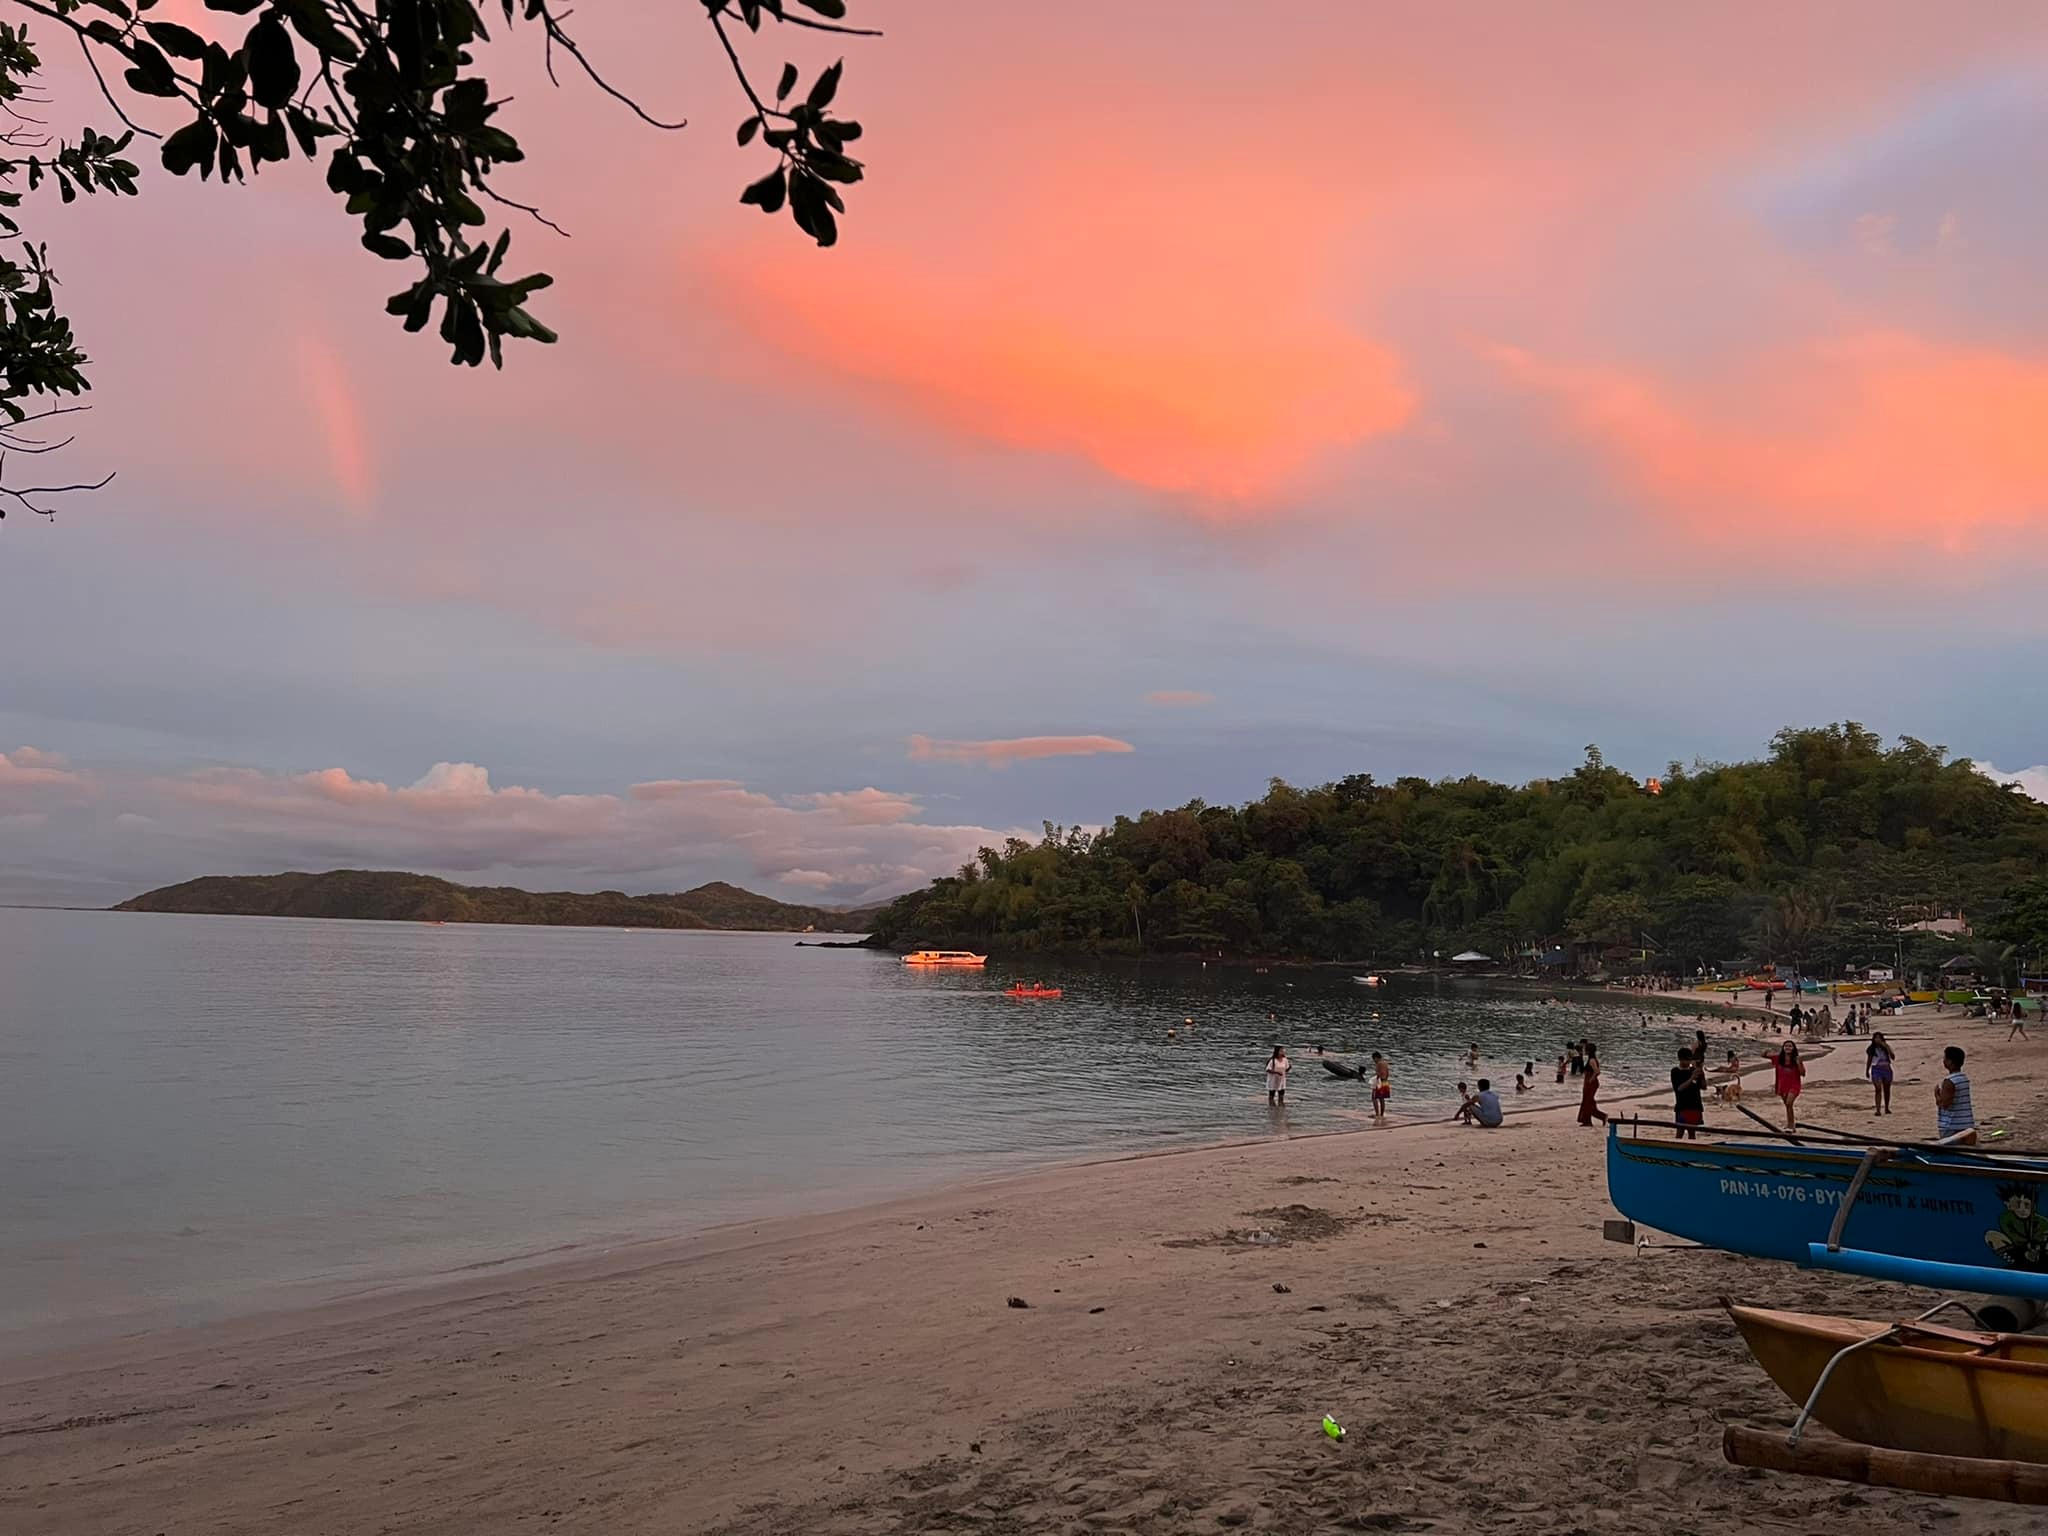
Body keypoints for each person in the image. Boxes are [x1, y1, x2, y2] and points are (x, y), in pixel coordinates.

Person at [1937, 1046, 1977, 1144]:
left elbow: (1945, 1104)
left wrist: (1937, 1095)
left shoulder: (1949, 1081)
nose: (1943, 1061)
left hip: (1951, 1125)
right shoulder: (1964, 1078)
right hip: (1966, 1123)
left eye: (1945, 1058)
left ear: (1950, 1062)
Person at [1766, 1040, 1805, 1130]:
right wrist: (1769, 1048)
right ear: (1783, 1048)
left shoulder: (1797, 1059)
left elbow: (1802, 1074)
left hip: (1794, 1085)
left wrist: (1799, 1064)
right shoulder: (1778, 1058)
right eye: (1786, 1046)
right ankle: (1791, 1124)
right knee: (1788, 1106)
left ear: (1793, 1048)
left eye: (1790, 1046)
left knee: (1789, 1103)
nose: (1788, 1048)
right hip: (1782, 1085)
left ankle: (1791, 1126)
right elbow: (1763, 1054)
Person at [1671, 1047, 1706, 1139]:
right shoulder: (1675, 1071)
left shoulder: (1693, 1070)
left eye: (1689, 1060)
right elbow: (1679, 1088)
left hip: (1695, 1105)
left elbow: (1703, 1087)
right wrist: (1691, 1078)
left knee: (1692, 1133)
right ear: (1680, 1059)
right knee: (1679, 1132)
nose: (1688, 1062)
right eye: (1686, 1060)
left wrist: (1702, 1075)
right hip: (1682, 1106)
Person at [1577, 1042, 1607, 1126]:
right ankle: (1589, 1120)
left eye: (1586, 1049)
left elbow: (1597, 1071)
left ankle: (1599, 1117)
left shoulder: (1592, 1060)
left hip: (1591, 1083)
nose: (1585, 1050)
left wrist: (1591, 1079)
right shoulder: (1591, 1059)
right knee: (1588, 1102)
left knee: (1588, 1102)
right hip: (1589, 1083)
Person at [1866, 1030, 1895, 1116]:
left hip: (1886, 1069)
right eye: (1876, 1038)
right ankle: (1878, 1109)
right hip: (1876, 1069)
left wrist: (1886, 1047)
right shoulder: (1871, 1049)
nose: (1877, 1040)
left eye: (1879, 1038)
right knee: (1878, 1088)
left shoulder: (1886, 1047)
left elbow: (1893, 1057)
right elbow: (1869, 1060)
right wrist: (1867, 1070)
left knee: (1887, 1089)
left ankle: (1886, 1108)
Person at [1371, 1052, 1391, 1122]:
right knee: (1382, 1099)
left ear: (1376, 1057)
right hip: (1385, 1081)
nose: (1374, 1061)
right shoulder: (1385, 1063)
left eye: (1374, 1059)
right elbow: (1387, 1073)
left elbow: (1379, 1073)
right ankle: (1381, 1114)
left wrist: (1375, 1081)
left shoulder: (1378, 1063)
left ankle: (1377, 1114)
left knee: (1374, 1097)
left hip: (1379, 1080)